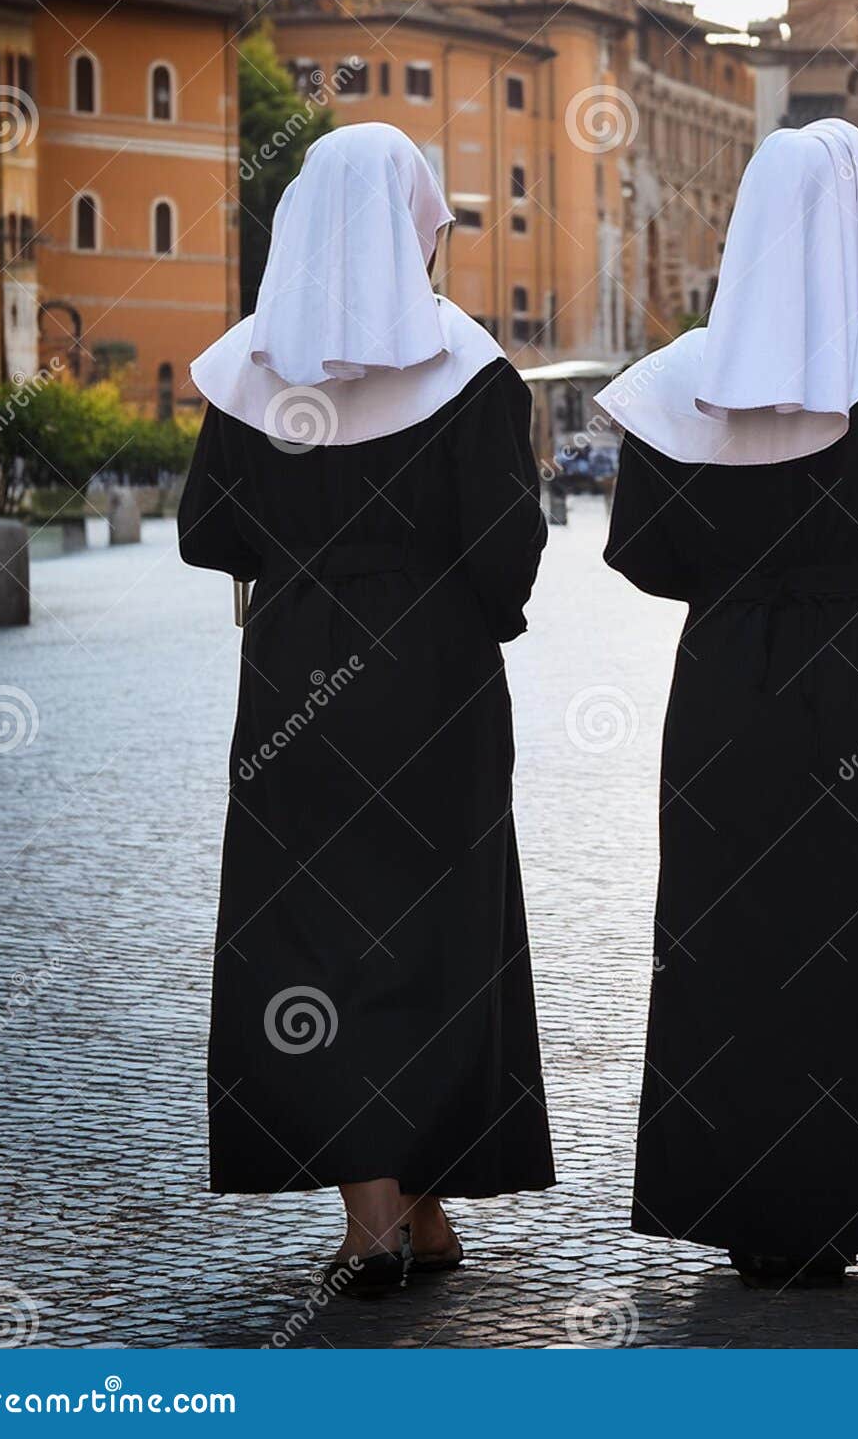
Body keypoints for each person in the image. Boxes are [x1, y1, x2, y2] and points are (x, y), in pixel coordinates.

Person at [596, 118, 858, 1289]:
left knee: (737, 935)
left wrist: (750, 566)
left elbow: (642, 550)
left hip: (729, 687)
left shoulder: (688, 378)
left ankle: (750, 1201)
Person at [178, 123, 554, 1292]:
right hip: (434, 678)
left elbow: (205, 533)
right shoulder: (468, 365)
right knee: (439, 930)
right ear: (414, 227)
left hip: (293, 673)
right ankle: (421, 1209)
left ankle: (380, 1218)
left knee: (312, 933)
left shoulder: (248, 367)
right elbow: (506, 554)